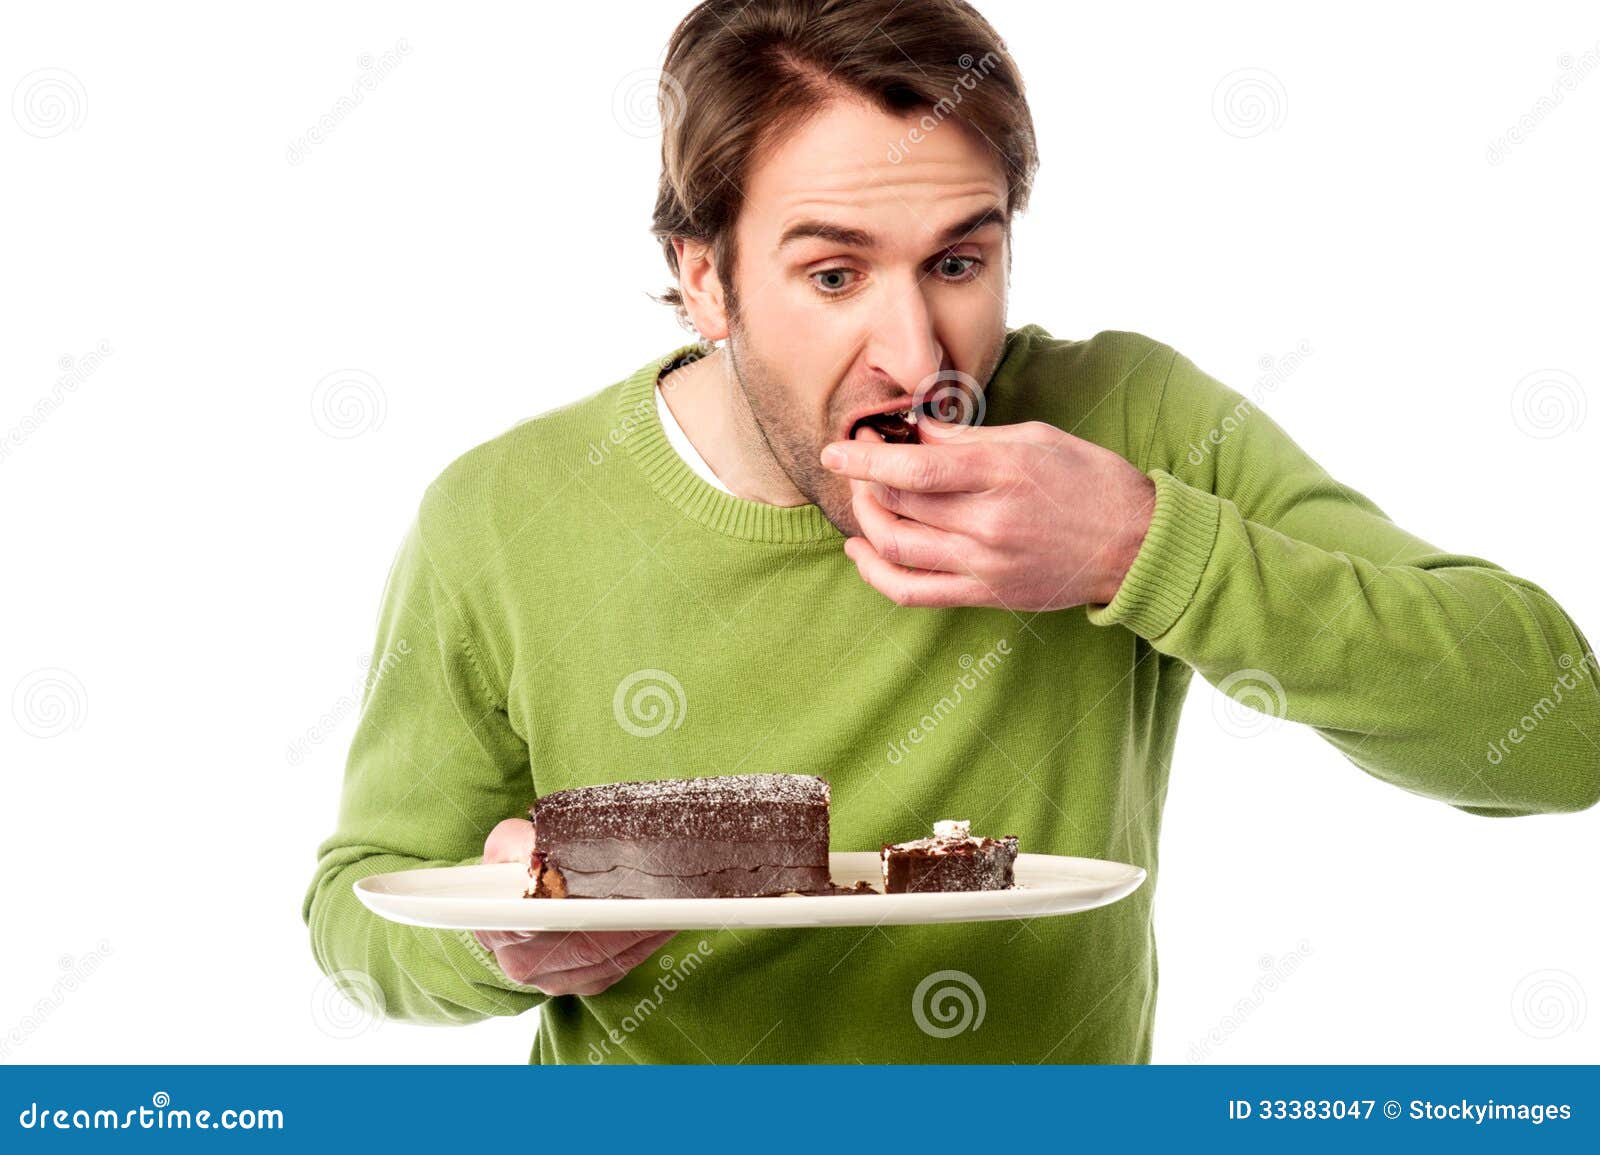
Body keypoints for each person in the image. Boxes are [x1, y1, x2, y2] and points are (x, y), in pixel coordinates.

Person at [304, 0, 1600, 1063]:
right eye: (832, 275)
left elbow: (1559, 738)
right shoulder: (501, 513)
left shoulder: (1123, 422)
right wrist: (488, 947)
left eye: (958, 263)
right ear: (705, 275)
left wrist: (1143, 550)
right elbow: (357, 912)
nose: (919, 355)